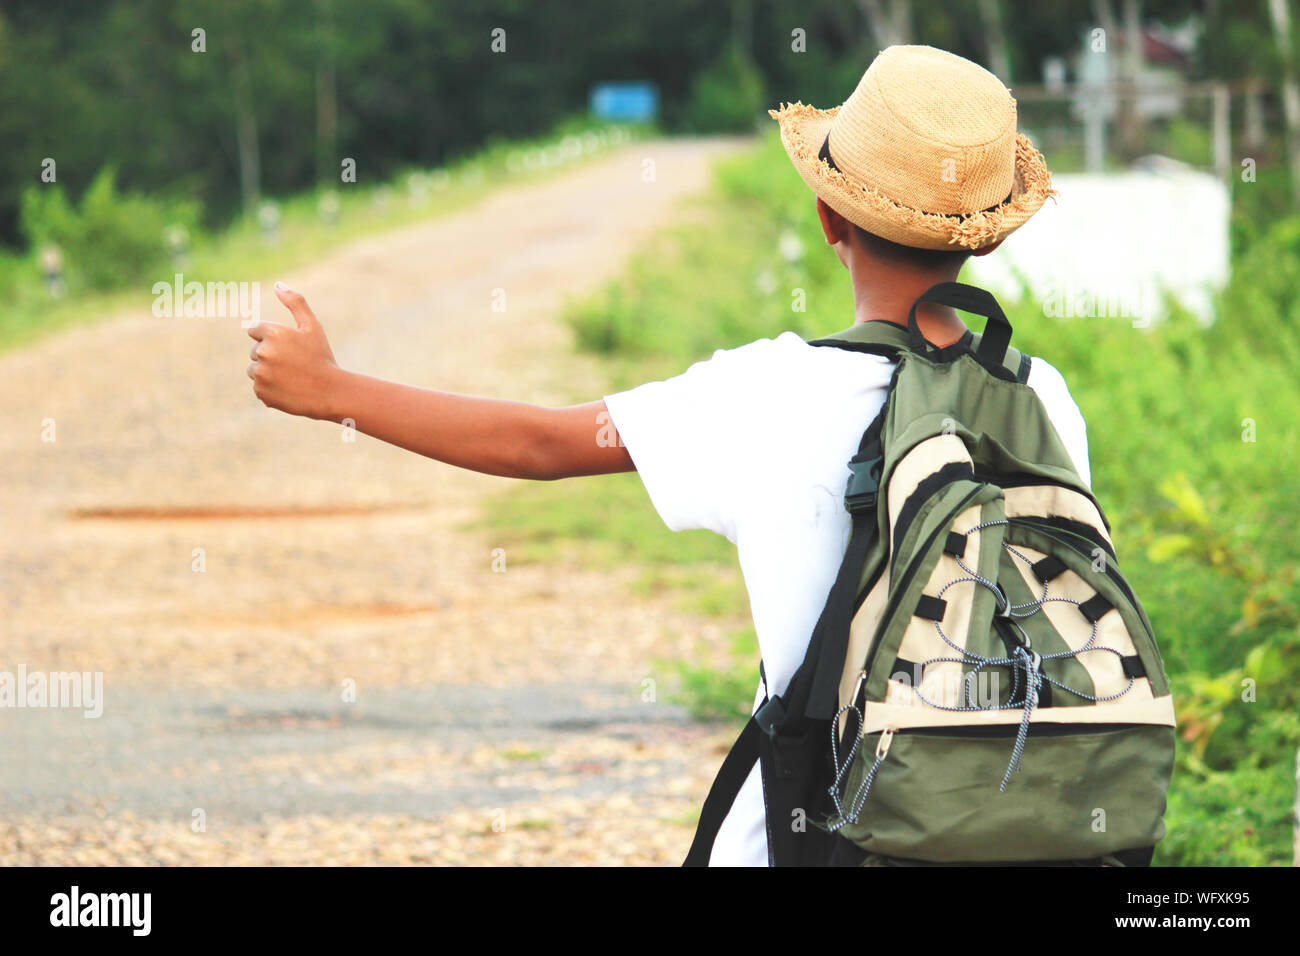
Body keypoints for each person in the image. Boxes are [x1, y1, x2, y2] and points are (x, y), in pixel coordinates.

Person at [245, 45, 1088, 866]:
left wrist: (336, 392)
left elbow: (541, 442)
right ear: (986, 240)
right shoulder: (1042, 396)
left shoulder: (769, 390)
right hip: (1017, 813)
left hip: (818, 830)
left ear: (828, 217)